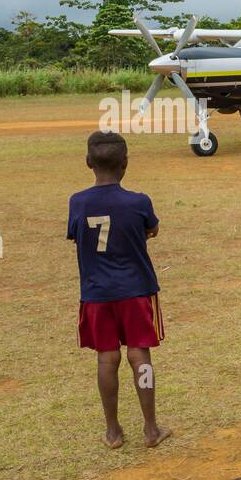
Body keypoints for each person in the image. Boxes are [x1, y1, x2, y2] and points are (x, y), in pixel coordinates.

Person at [68, 130, 170, 450]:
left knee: (106, 359)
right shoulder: (139, 201)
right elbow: (151, 228)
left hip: (97, 294)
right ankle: (151, 429)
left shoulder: (77, 202)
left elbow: (76, 235)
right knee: (140, 355)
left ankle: (113, 431)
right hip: (136, 291)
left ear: (88, 163)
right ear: (125, 164)